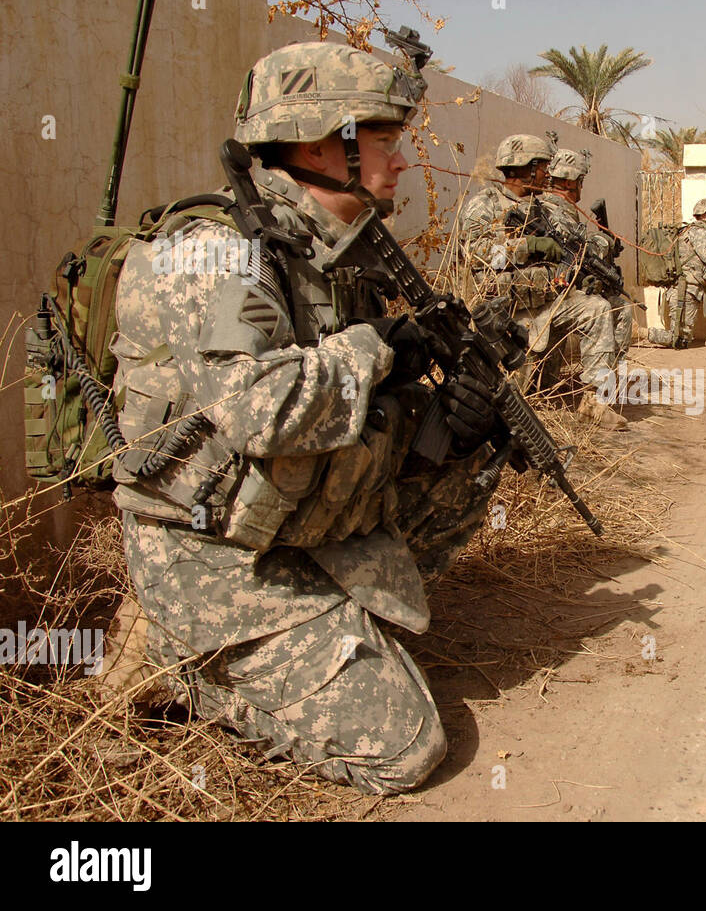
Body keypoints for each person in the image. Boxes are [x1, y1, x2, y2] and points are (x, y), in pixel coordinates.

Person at [106, 41, 501, 795]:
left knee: (465, 456)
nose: (401, 161)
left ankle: (331, 626)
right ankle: (177, 657)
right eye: (383, 141)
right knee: (406, 748)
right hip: (209, 556)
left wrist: (448, 417)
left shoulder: (328, 249)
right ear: (322, 145)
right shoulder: (215, 250)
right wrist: (376, 349)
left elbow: (353, 409)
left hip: (283, 527)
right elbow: (258, 410)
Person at [457, 140, 626, 428]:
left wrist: (577, 276)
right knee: (515, 401)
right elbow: (476, 255)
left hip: (545, 301)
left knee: (597, 307)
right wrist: (527, 245)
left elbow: (559, 255)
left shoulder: (541, 208)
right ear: (526, 168)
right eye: (543, 168)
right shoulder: (485, 204)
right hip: (508, 311)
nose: (548, 175)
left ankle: (593, 403)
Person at [534, 148, 636, 362]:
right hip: (553, 296)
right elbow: (575, 254)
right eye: (581, 181)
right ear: (569, 182)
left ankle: (610, 372)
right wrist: (602, 241)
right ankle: (600, 379)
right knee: (608, 308)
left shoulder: (560, 210)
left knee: (621, 307)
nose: (582, 187)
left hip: (562, 292)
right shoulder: (554, 212)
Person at [645, 197, 706, 348]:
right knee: (679, 340)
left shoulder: (705, 232)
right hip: (685, 290)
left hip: (699, 286)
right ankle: (640, 333)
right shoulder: (699, 232)